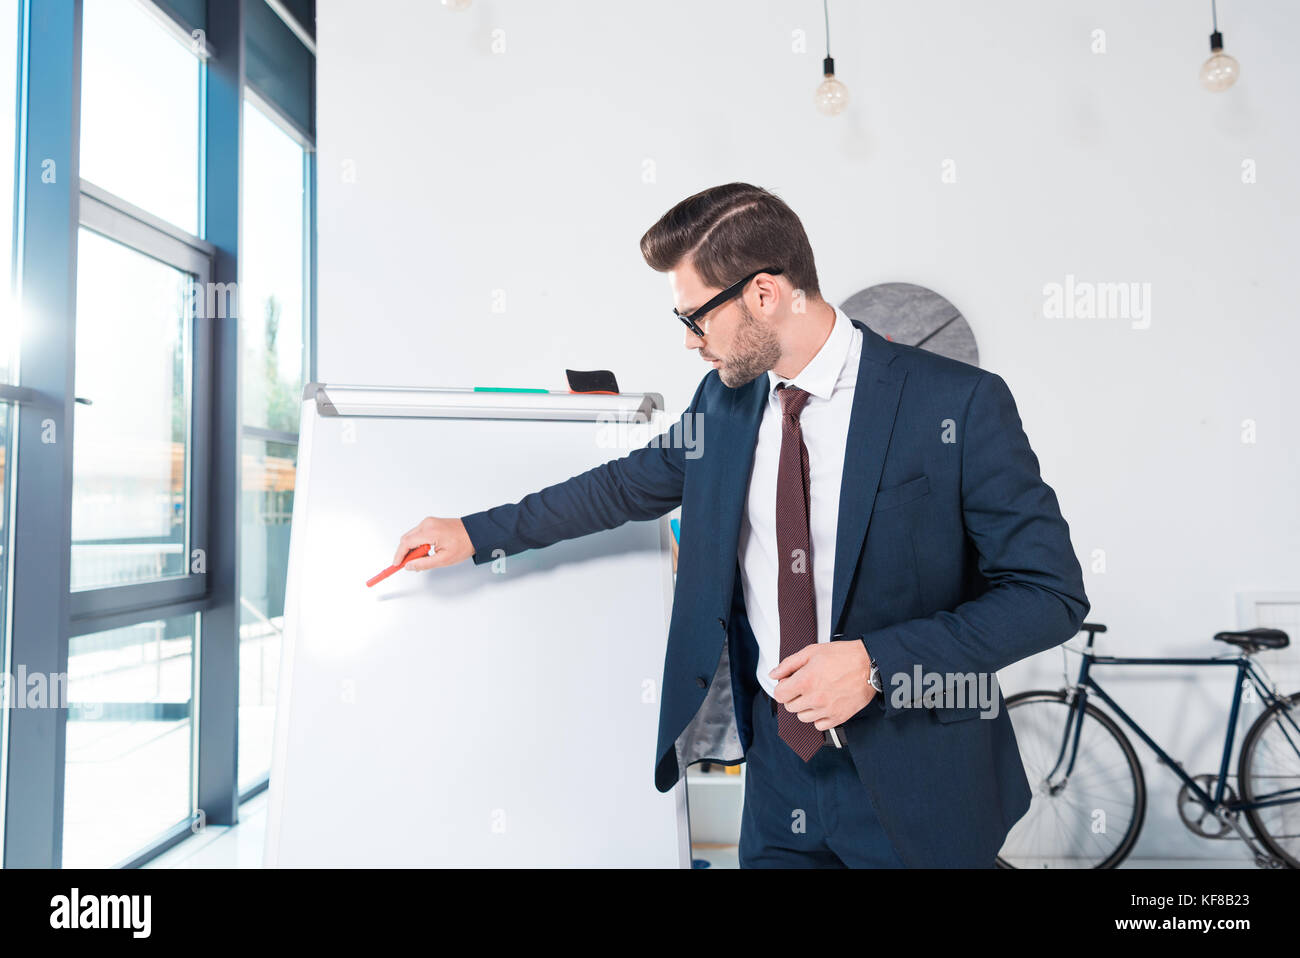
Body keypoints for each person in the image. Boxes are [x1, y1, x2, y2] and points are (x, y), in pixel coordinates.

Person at [392, 182, 1090, 868]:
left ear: (763, 293)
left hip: (922, 782)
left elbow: (1047, 595)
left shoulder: (957, 403)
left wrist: (877, 664)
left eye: (695, 317)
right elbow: (624, 486)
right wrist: (474, 532)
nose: (692, 342)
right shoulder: (724, 404)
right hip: (781, 778)